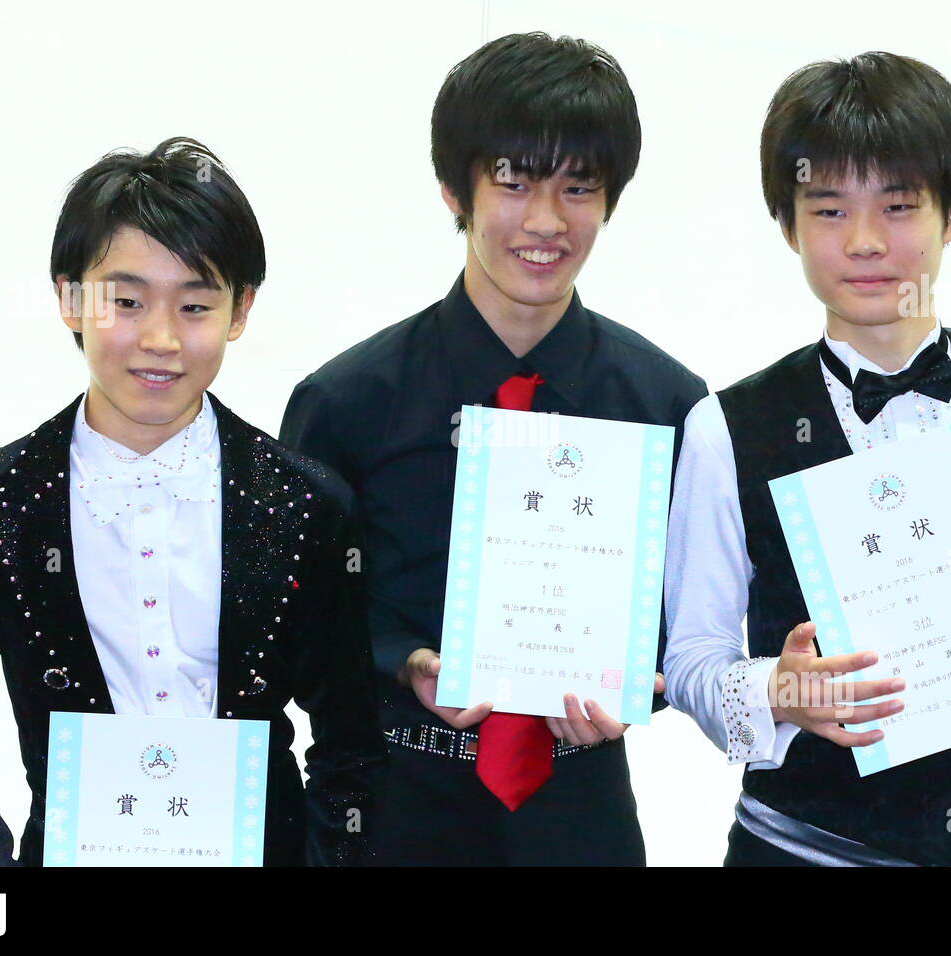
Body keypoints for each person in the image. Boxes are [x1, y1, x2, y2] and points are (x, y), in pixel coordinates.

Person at [664, 51, 951, 866]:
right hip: (798, 848)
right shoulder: (726, 427)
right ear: (788, 225)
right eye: (829, 210)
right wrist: (776, 690)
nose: (866, 242)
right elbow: (691, 659)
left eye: (899, 205)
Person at [280, 32, 708, 865]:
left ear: (611, 198)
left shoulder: (669, 407)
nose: (545, 221)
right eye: (512, 182)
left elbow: (692, 615)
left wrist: (643, 680)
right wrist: (401, 662)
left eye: (577, 187)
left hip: (582, 812)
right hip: (391, 807)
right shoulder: (347, 402)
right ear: (455, 189)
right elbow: (296, 616)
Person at [0, 137, 386, 866]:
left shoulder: (307, 504)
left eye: (195, 304)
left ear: (240, 309)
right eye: (125, 301)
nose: (159, 338)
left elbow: (351, 739)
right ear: (69, 297)